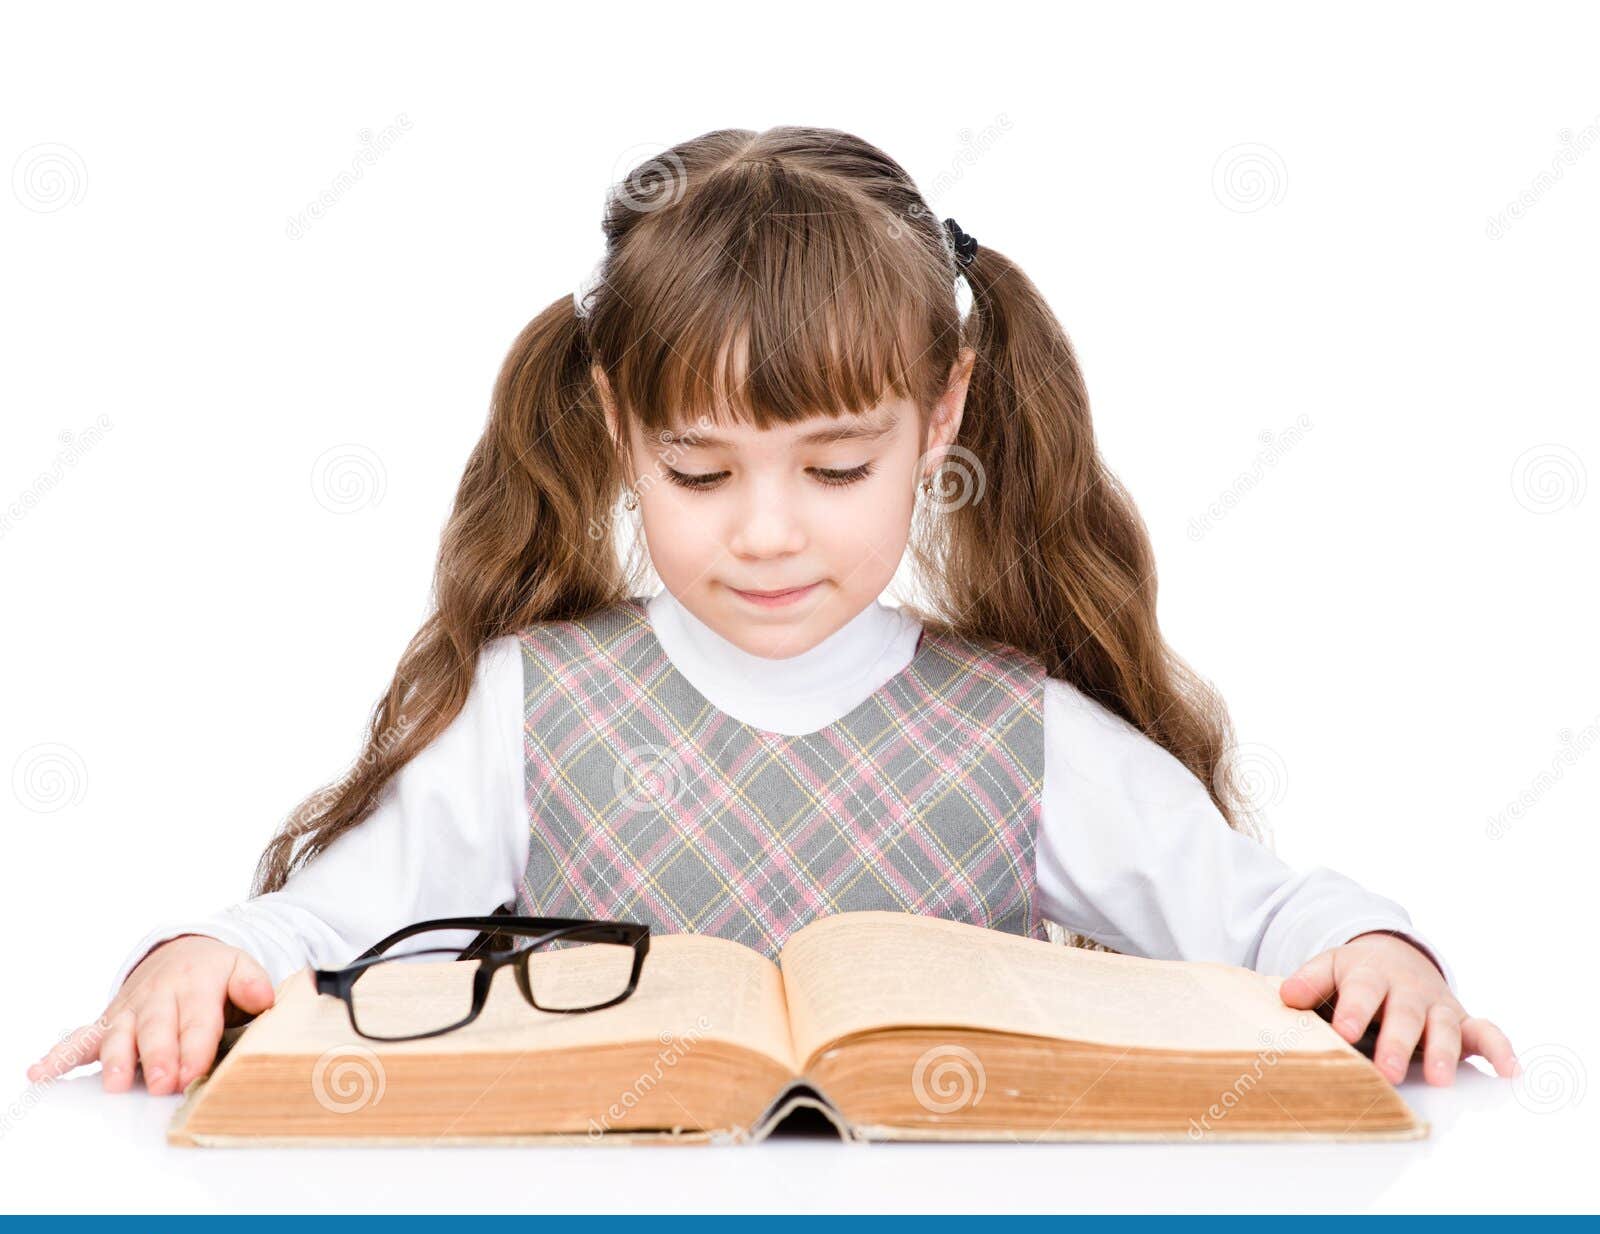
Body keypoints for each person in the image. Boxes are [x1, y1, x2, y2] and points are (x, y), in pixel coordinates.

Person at [28, 125, 1515, 1101]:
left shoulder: (1021, 732)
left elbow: (1265, 917)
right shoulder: (535, 706)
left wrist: (1380, 945)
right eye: (698, 467)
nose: (766, 530)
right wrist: (199, 954)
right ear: (619, 426)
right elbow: (322, 926)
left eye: (837, 464)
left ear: (942, 415)